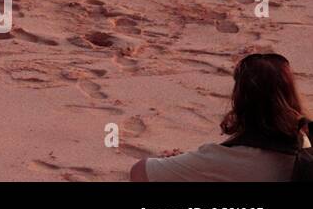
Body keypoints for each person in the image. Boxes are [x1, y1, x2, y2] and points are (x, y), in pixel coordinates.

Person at [132, 53, 311, 182]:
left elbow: (140, 172)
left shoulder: (226, 158)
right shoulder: (304, 142)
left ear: (239, 99)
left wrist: (191, 163)